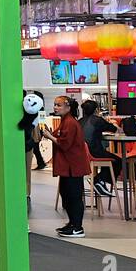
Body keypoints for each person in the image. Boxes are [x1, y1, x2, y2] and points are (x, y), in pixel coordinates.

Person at [48, 95, 89, 238]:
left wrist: (49, 136)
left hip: (73, 166)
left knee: (74, 196)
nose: (55, 107)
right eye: (55, 105)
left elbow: (64, 143)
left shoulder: (70, 123)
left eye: (58, 105)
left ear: (68, 107)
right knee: (66, 194)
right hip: (68, 166)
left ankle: (77, 227)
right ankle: (72, 223)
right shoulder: (65, 121)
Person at [79, 99, 119, 196]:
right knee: (118, 160)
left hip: (82, 154)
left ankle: (100, 182)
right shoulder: (97, 120)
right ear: (96, 110)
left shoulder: (79, 121)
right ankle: (99, 180)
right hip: (94, 152)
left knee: (108, 157)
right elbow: (113, 129)